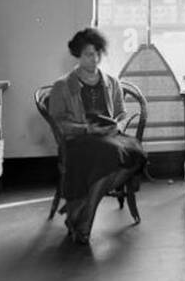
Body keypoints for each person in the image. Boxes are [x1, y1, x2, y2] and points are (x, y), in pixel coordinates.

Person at [46, 28, 147, 244]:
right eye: (88, 55)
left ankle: (80, 209)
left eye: (97, 53)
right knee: (111, 154)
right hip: (79, 141)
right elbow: (60, 123)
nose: (95, 59)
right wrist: (87, 129)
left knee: (137, 152)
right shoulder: (62, 86)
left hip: (109, 137)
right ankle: (86, 222)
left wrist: (117, 124)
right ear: (78, 56)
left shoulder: (111, 81)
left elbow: (121, 112)